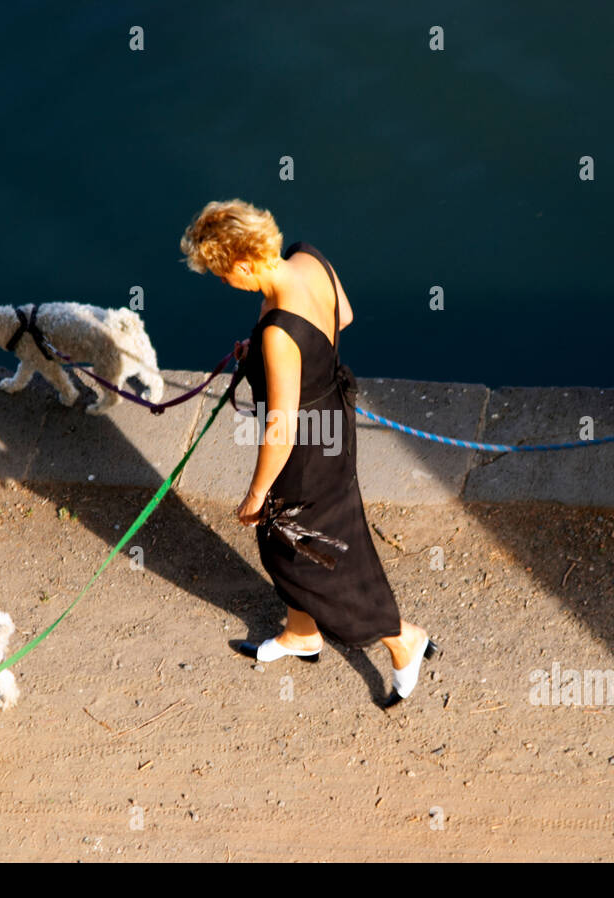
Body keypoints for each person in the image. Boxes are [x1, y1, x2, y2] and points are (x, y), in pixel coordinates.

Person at [179, 199, 438, 707]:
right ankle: (302, 633)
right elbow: (343, 313)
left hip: (303, 448)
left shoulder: (278, 333)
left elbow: (281, 426)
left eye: (220, 273)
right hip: (334, 420)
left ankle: (401, 636)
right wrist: (295, 360)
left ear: (244, 265)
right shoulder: (307, 256)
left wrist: (255, 495)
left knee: (306, 550)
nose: (223, 282)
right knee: (310, 539)